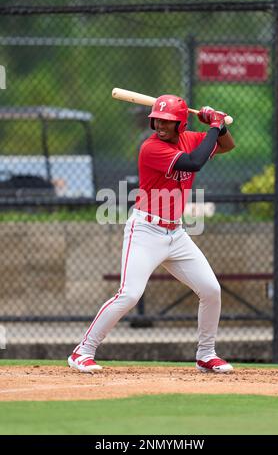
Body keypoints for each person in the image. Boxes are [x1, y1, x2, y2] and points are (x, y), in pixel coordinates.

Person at [68, 95, 235, 374]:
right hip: (145, 229)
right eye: (157, 120)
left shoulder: (190, 138)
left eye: (168, 121)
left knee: (211, 290)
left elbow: (227, 146)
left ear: (180, 124)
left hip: (176, 233)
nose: (160, 125)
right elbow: (194, 163)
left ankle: (206, 354)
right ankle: (82, 351)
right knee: (130, 294)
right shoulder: (151, 148)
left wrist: (219, 126)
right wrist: (214, 127)